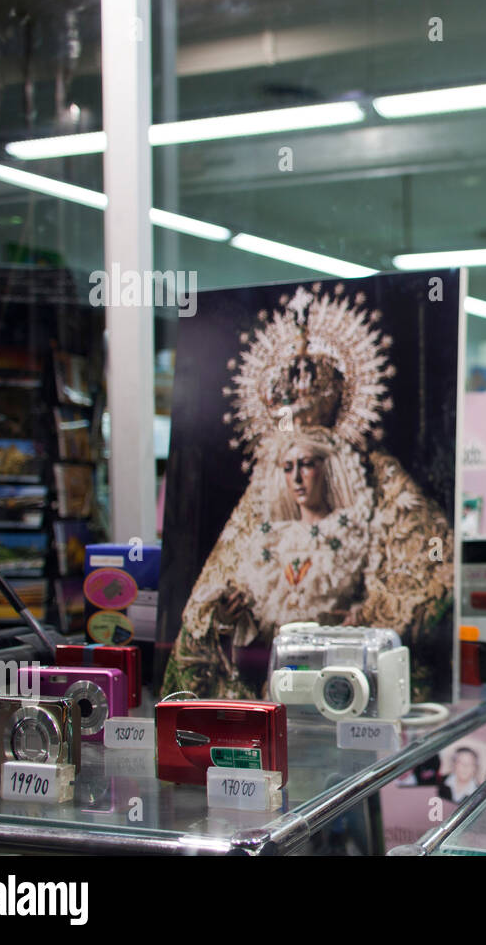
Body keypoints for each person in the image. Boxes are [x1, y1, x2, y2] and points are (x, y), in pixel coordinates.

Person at [162, 284, 454, 700]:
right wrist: (226, 617)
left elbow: (430, 559)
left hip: (350, 675)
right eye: (288, 467)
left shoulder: (376, 477)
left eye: (308, 464)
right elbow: (212, 600)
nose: (296, 477)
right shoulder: (262, 497)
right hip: (273, 676)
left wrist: (364, 619)